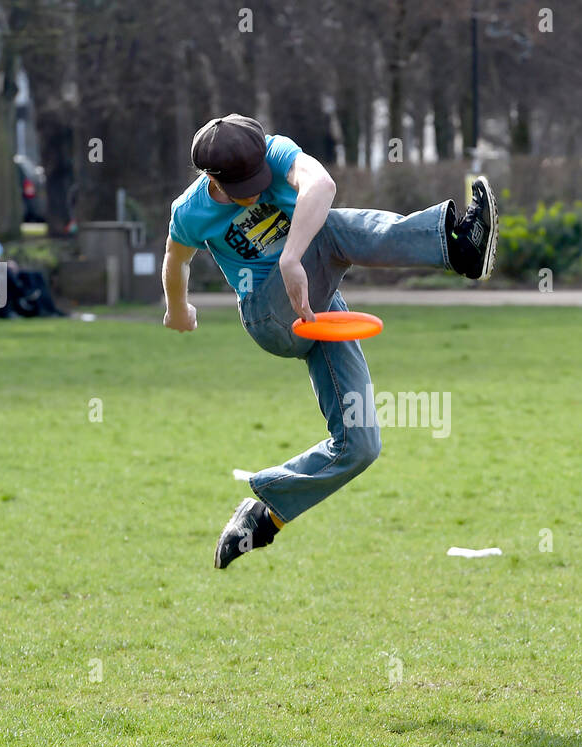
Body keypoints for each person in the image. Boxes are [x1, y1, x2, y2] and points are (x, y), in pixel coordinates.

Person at [162, 114, 498, 569]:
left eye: (262, 177)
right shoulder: (190, 210)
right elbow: (175, 258)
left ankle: (265, 514)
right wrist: (178, 310)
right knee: (331, 231)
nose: (261, 188)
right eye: (248, 185)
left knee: (360, 444)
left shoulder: (276, 153)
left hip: (318, 307)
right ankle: (455, 246)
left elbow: (320, 183)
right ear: (213, 180)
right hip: (269, 317)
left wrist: (292, 256)